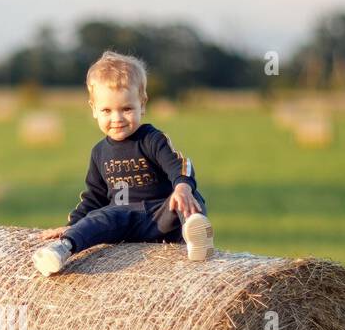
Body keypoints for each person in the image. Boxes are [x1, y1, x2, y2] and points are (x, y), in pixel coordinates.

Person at [32, 50, 213, 276]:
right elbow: (93, 197)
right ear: (94, 110)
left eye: (126, 109)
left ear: (142, 105)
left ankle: (195, 233)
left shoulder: (151, 138)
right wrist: (71, 226)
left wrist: (182, 187)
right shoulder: (99, 152)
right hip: (121, 218)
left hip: (160, 215)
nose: (117, 119)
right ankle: (63, 249)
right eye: (107, 110)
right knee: (98, 217)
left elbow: (180, 165)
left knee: (190, 198)